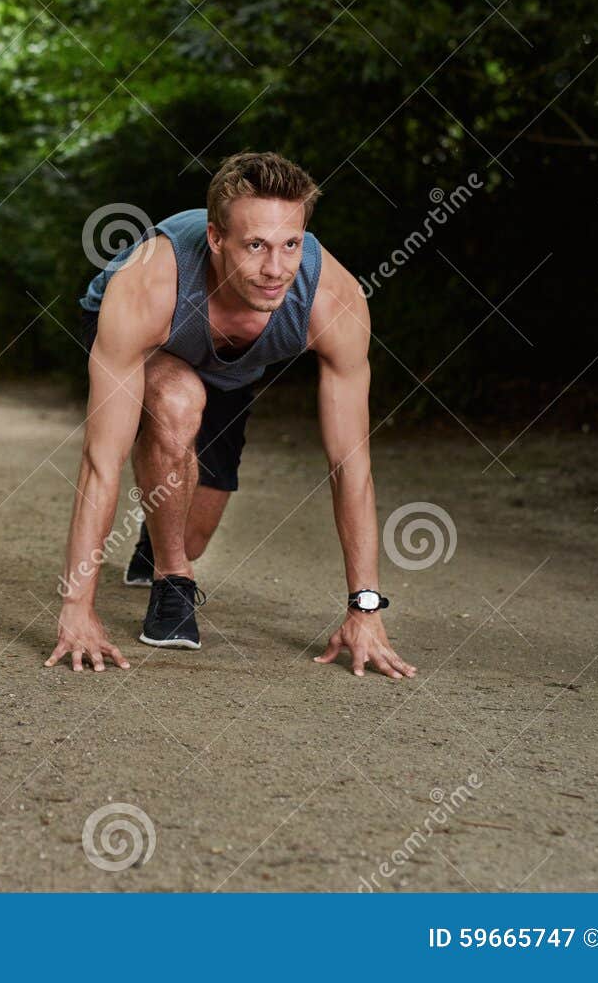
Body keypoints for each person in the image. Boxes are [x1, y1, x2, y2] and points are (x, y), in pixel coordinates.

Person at [45, 151, 417, 680]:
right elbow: (101, 461)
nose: (276, 269)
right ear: (217, 238)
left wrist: (365, 609)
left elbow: (350, 464)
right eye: (256, 246)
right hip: (158, 344)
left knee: (191, 531)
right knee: (177, 403)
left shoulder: (333, 300)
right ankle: (173, 579)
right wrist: (77, 608)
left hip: (231, 368)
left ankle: (161, 533)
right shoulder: (147, 286)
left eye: (291, 245)